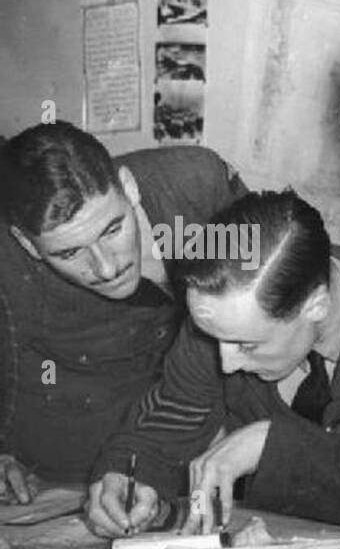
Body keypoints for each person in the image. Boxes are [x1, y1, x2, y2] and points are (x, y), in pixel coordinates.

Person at [85, 190, 340, 536]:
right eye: (215, 341)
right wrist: (122, 478)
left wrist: (272, 444)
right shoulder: (219, 320)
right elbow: (166, 425)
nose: (225, 364)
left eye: (247, 345)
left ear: (316, 304)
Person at [0, 121, 245, 499]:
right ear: (28, 244)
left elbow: (273, 291)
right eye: (68, 253)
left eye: (113, 229)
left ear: (128, 187)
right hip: (67, 476)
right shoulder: (8, 264)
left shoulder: (198, 189)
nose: (106, 268)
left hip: (204, 432)